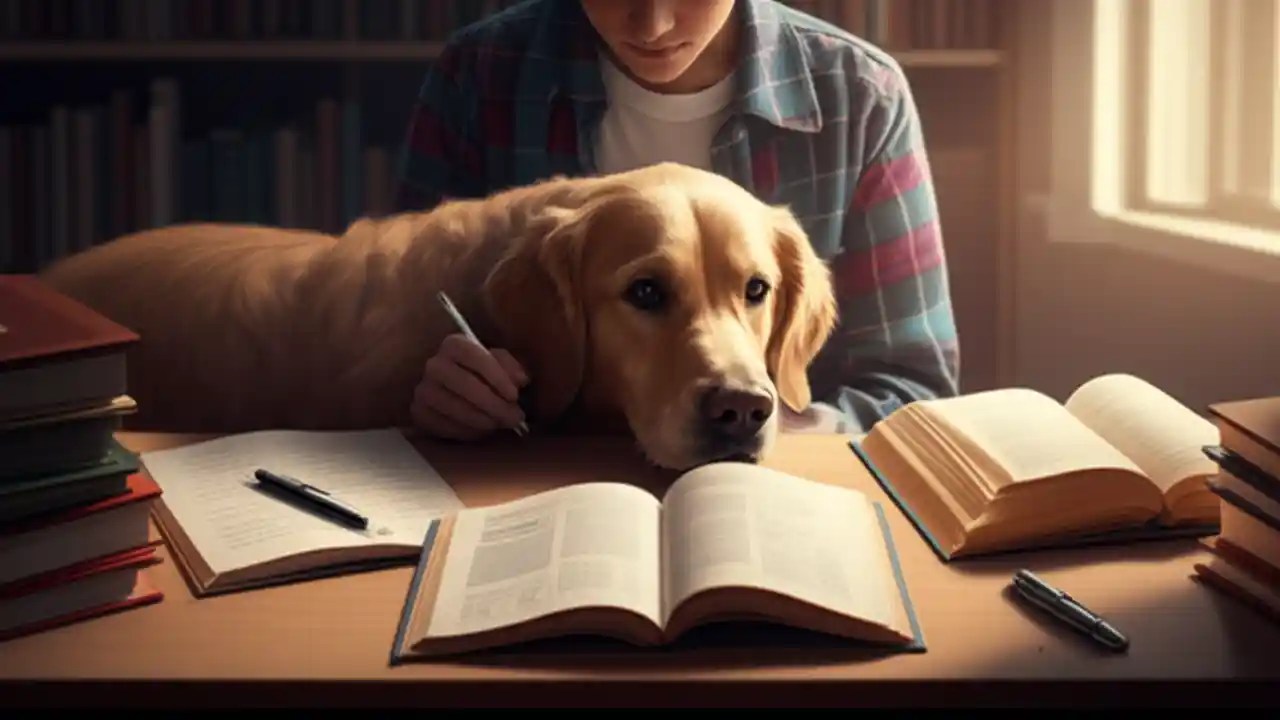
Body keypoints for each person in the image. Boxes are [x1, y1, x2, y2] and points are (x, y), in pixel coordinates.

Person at [396, 0, 960, 441]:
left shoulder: (861, 95)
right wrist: (436, 387)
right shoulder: (478, 76)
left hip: (775, 498)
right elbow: (401, 329)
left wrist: (775, 425)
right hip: (533, 494)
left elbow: (912, 390)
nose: (654, 24)